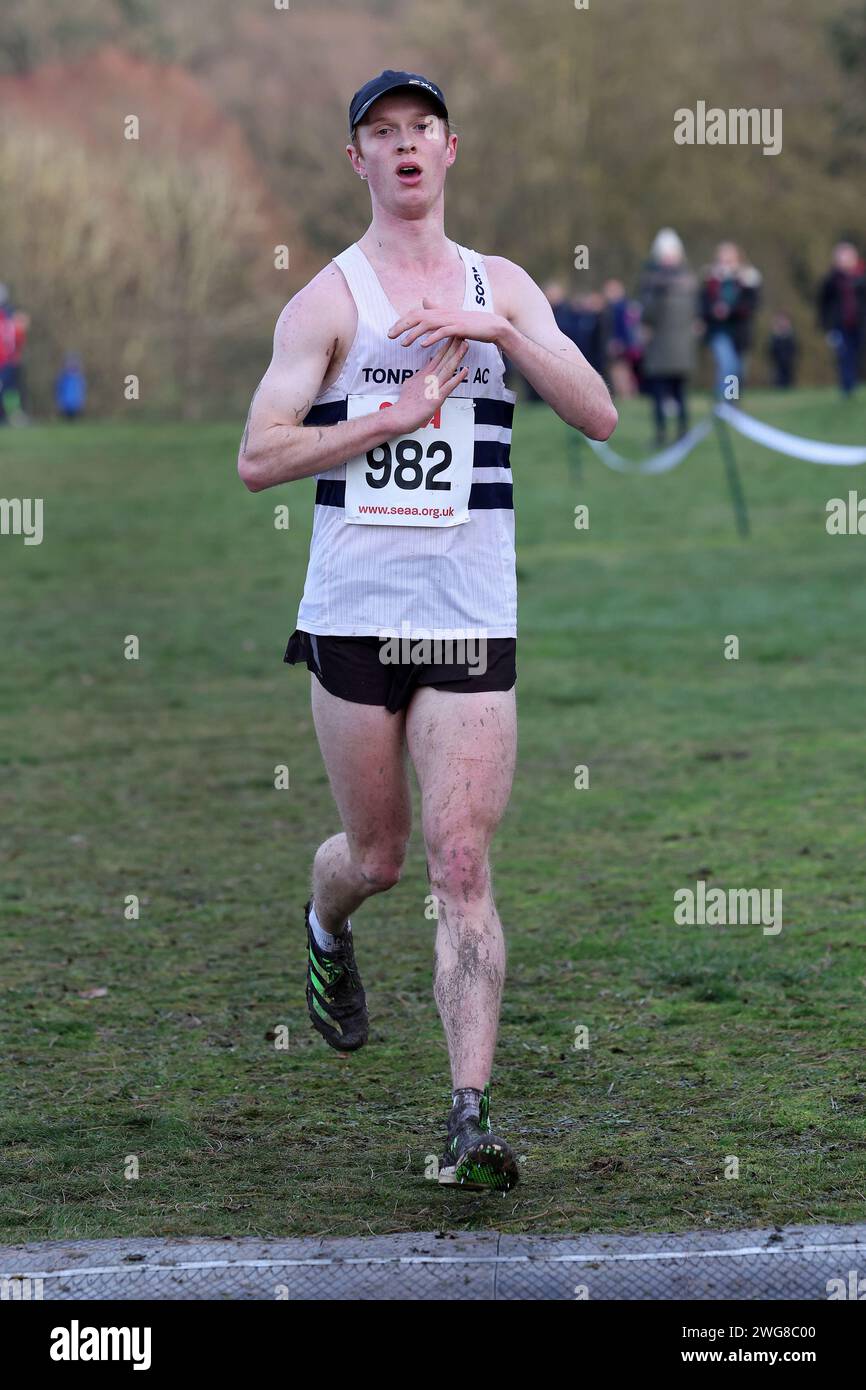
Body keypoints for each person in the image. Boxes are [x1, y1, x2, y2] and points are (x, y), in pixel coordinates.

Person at [237, 69, 616, 1191]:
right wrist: (385, 417)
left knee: (460, 861)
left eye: (422, 131)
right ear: (356, 162)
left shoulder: (501, 287)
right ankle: (323, 920)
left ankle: (466, 1115)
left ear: (449, 151)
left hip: (467, 615)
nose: (404, 148)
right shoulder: (327, 302)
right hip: (353, 616)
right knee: (380, 856)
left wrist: (497, 327)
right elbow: (258, 458)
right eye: (381, 134)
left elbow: (594, 411)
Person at [637, 229, 698, 446]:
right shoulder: (659, 283)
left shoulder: (660, 283)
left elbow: (648, 314)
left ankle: (675, 433)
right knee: (667, 393)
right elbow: (647, 314)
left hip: (672, 346)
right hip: (665, 347)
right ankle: (669, 433)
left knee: (673, 392)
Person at [700, 241, 761, 398]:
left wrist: (731, 310)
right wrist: (714, 311)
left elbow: (752, 304)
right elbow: (702, 304)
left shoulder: (748, 279)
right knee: (727, 365)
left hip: (739, 331)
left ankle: (732, 403)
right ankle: (725, 403)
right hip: (719, 330)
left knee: (737, 371)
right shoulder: (710, 281)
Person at [818, 242, 865, 396]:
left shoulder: (862, 276)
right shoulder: (831, 280)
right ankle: (847, 389)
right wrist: (827, 327)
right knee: (845, 356)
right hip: (841, 325)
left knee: (858, 353)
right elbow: (823, 304)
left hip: (861, 323)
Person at [767, 313, 798, 390]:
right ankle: (779, 387)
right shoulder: (775, 336)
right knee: (778, 375)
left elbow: (794, 347)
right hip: (778, 359)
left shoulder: (790, 334)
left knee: (789, 375)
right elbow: (771, 349)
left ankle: (788, 387)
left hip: (788, 359)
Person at [55, 355, 87, 420]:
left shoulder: (78, 378)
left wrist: (80, 400)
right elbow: (60, 390)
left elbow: (81, 390)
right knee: (67, 417)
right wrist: (60, 400)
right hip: (66, 402)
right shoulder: (64, 378)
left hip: (75, 402)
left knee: (74, 417)